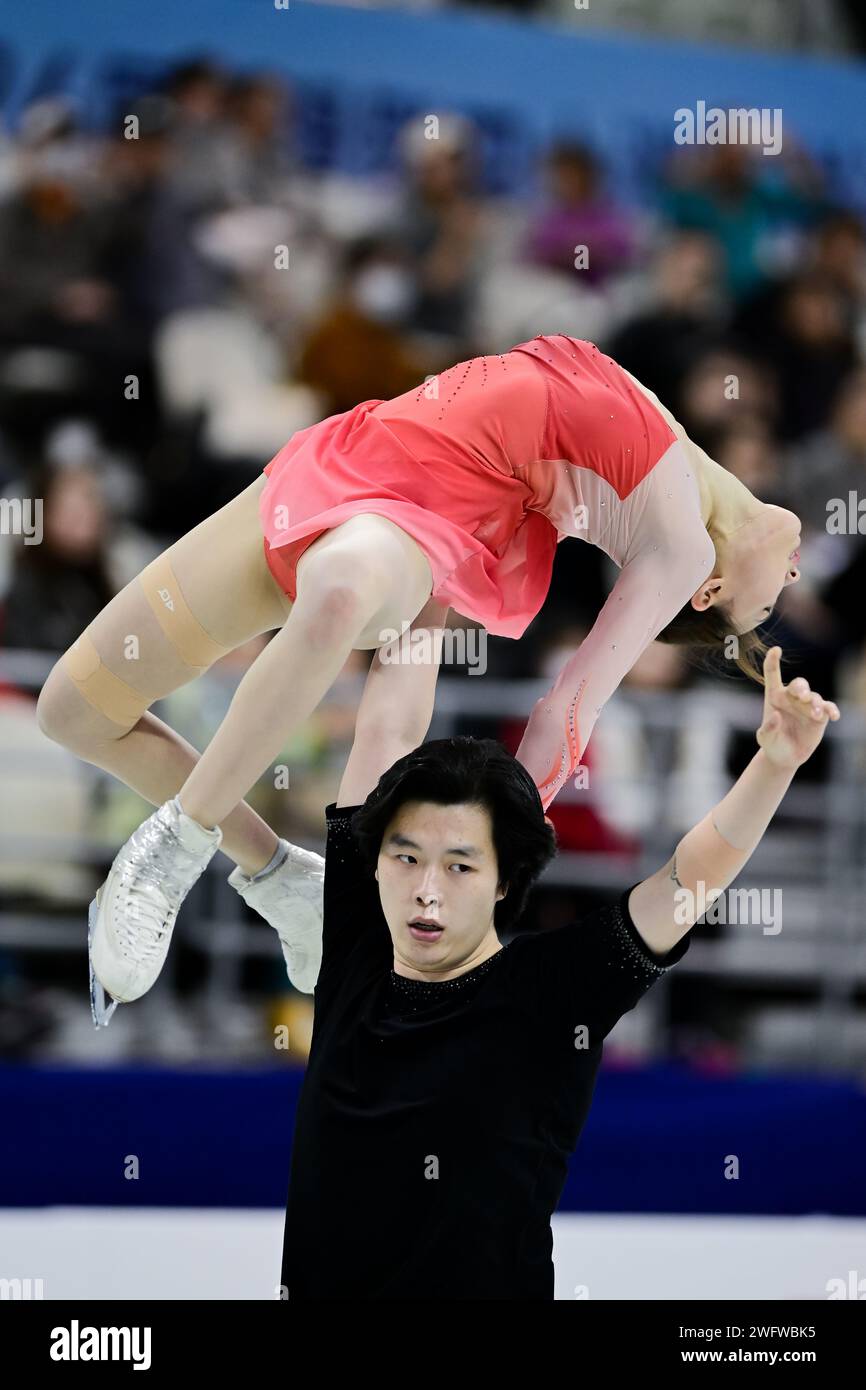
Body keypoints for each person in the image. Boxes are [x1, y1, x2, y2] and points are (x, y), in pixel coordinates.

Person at [34, 333, 803, 1024]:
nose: (795, 570)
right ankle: (278, 878)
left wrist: (493, 850)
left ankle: (175, 849)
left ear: (705, 592)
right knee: (72, 710)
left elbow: (567, 711)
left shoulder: (684, 551)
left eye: (767, 601)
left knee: (338, 593)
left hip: (417, 520)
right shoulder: (676, 442)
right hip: (344, 453)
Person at [278, 643, 839, 1299]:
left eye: (459, 866)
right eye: (406, 860)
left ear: (502, 882)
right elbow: (386, 727)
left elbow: (689, 882)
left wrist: (773, 766)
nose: (426, 890)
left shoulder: (553, 988)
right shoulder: (359, 941)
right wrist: (428, 557)